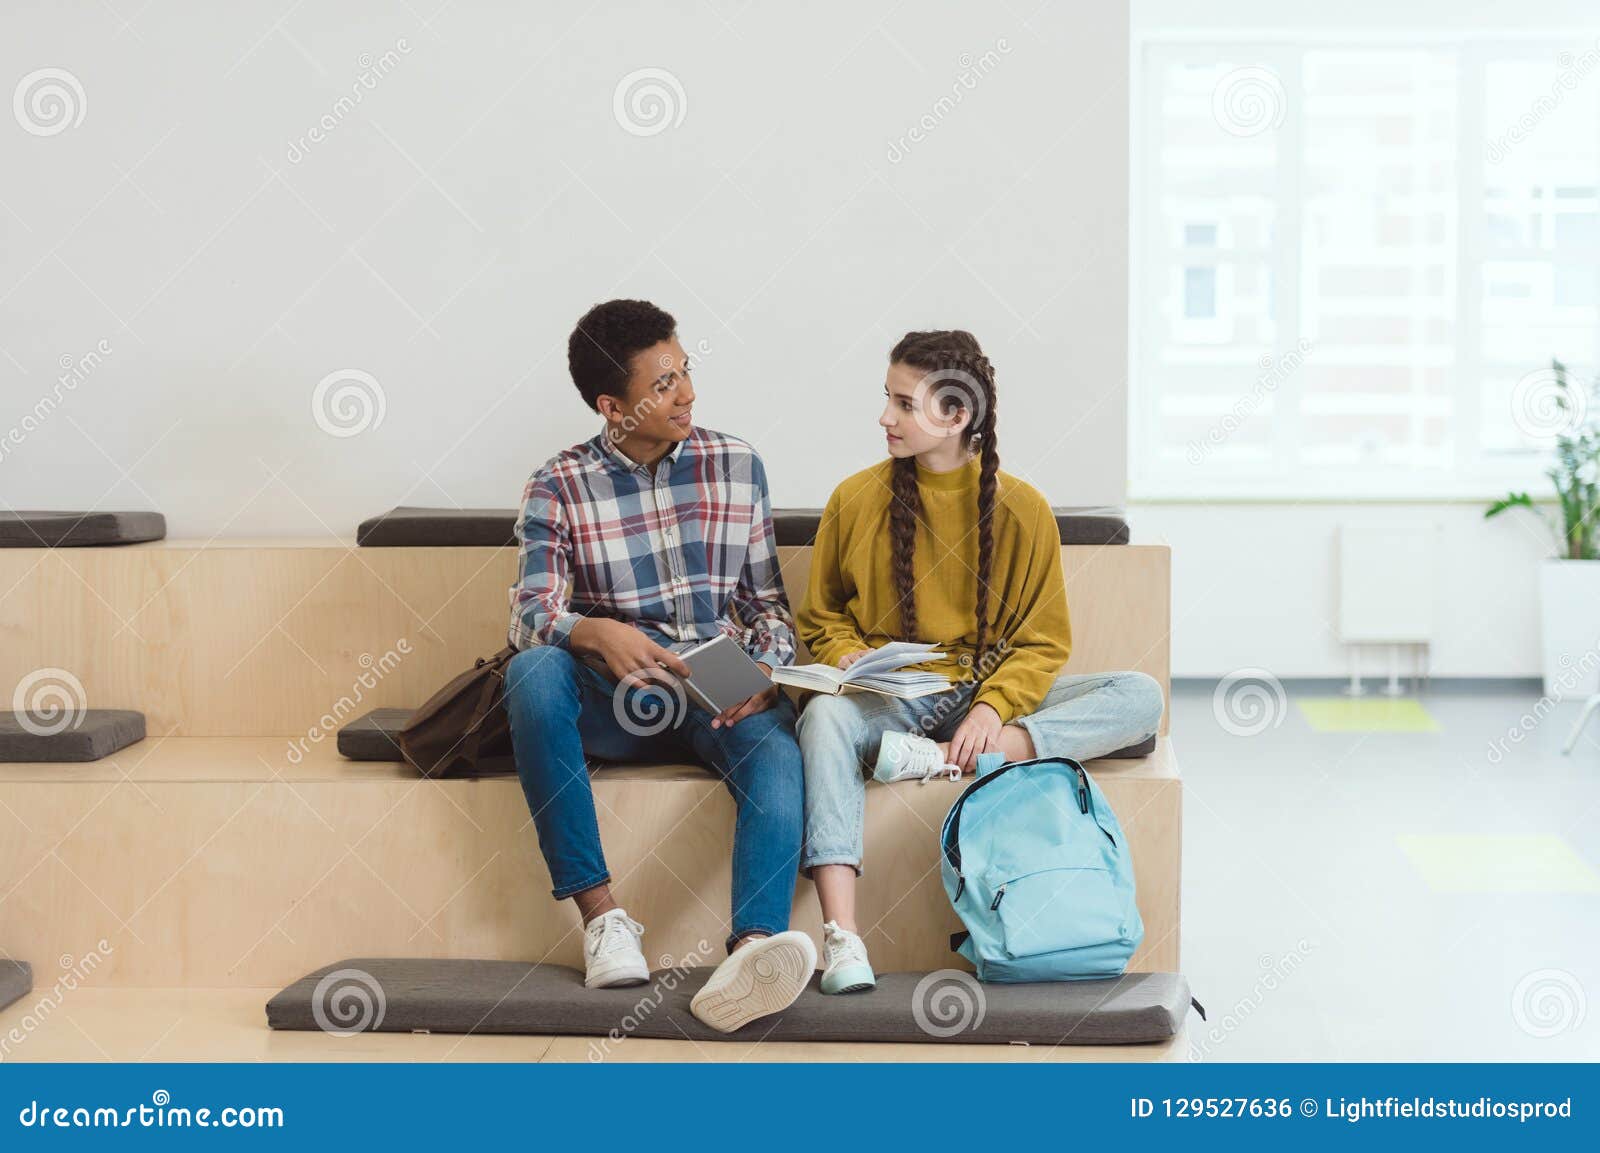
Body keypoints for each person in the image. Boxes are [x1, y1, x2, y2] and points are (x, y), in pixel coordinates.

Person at [795, 329, 1165, 995]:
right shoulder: (854, 498)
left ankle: (950, 757)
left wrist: (994, 709)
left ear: (956, 415)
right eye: (887, 398)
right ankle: (842, 935)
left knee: (1140, 696)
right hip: (892, 702)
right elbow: (821, 613)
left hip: (989, 700)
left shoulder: (1023, 509)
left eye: (903, 404)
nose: (884, 417)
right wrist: (847, 651)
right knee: (822, 716)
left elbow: (1042, 640)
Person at [503, 298, 815, 1032]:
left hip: (718, 683)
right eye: (664, 383)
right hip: (615, 695)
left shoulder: (737, 464)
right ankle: (603, 919)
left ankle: (753, 951)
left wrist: (765, 668)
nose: (688, 394)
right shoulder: (558, 483)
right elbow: (527, 616)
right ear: (612, 406)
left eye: (686, 372)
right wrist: (593, 630)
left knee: (778, 750)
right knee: (531, 673)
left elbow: (767, 605)